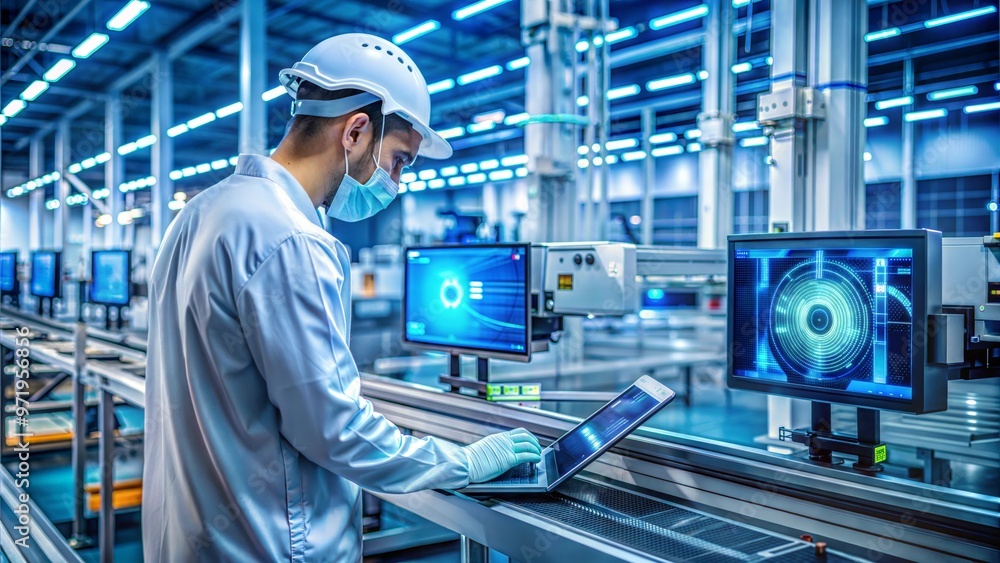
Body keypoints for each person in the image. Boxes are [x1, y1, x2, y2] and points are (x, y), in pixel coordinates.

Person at [142, 33, 542, 562]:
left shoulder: (200, 213)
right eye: (399, 161)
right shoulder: (291, 239)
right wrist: (462, 462)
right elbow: (334, 430)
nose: (396, 182)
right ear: (355, 132)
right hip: (268, 544)